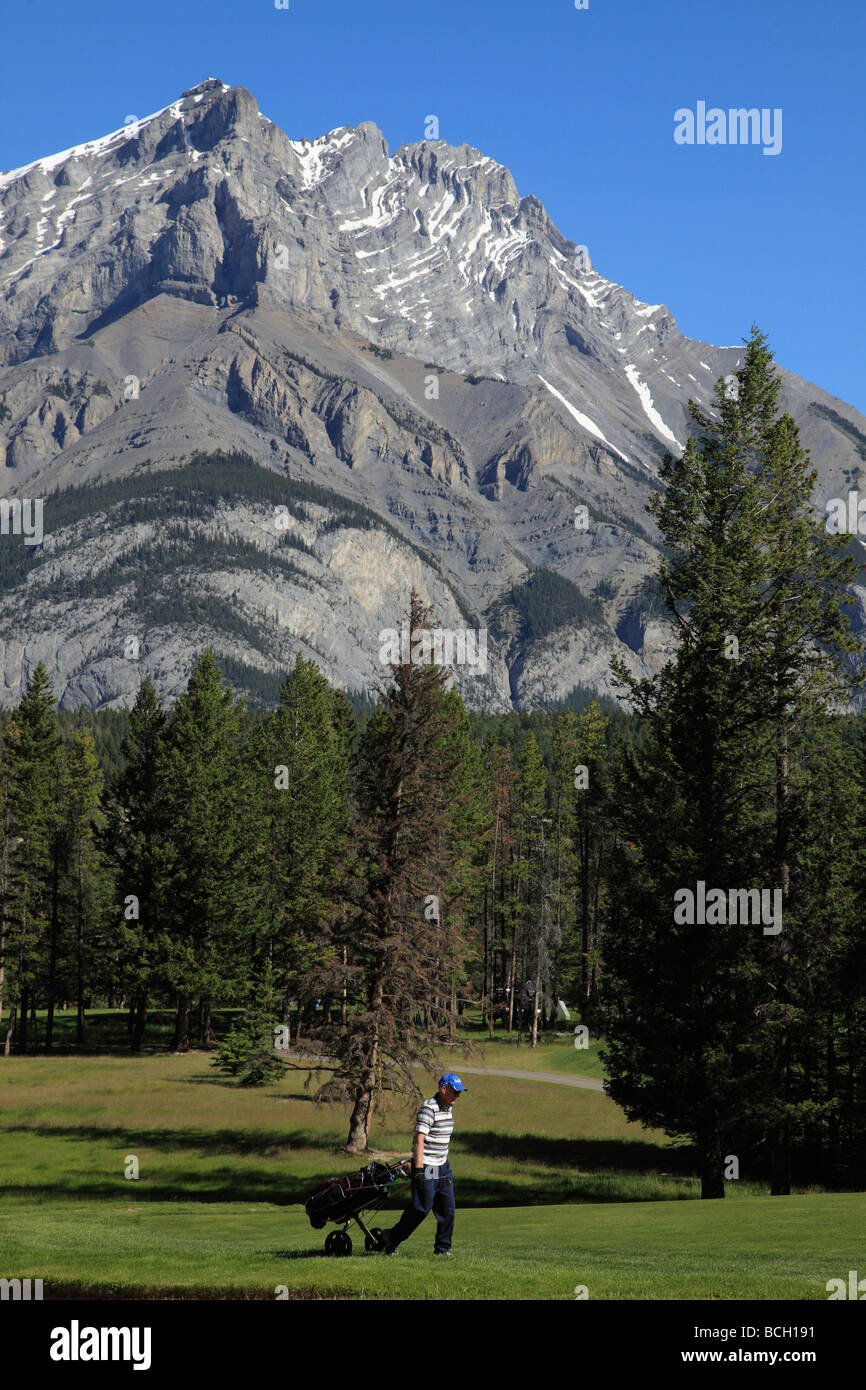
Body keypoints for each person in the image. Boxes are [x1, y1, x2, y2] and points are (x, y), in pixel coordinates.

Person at [382, 1073, 466, 1256]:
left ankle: (443, 1249)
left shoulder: (448, 1107)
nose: (457, 1096)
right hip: (427, 1166)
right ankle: (392, 1237)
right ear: (443, 1089)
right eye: (454, 1092)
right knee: (421, 1208)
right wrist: (418, 1169)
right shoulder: (429, 1108)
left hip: (443, 1166)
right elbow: (419, 1139)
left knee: (448, 1209)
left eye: (459, 1092)